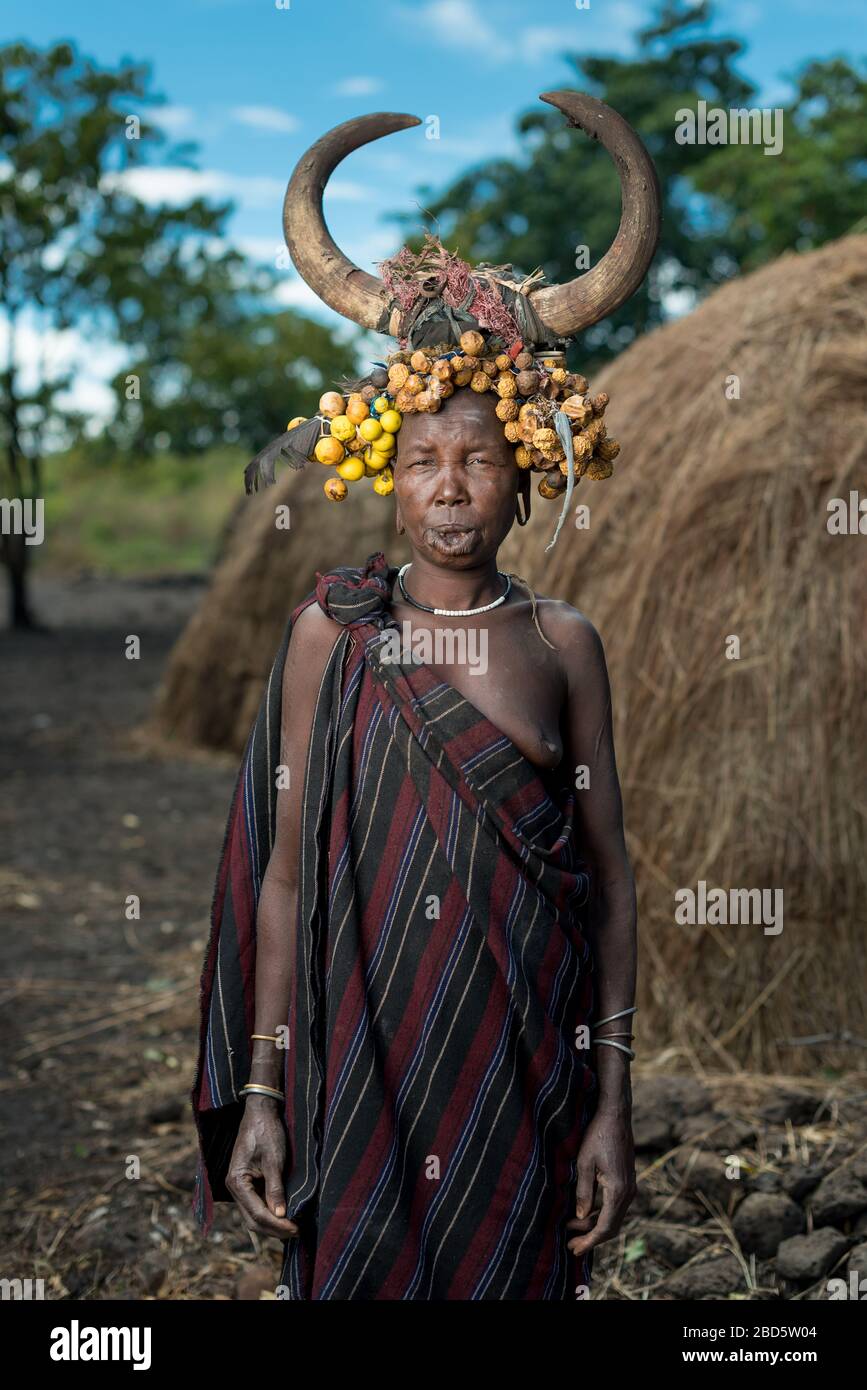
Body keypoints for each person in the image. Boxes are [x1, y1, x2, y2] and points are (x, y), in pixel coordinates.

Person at [191, 91, 658, 1300]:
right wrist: (262, 1091)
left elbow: (610, 881)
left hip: (527, 1081)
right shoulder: (327, 637)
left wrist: (612, 1102)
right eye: (420, 461)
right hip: (355, 1074)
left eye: (480, 459)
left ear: (526, 469)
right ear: (383, 477)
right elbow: (285, 874)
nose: (450, 489)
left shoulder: (564, 644)